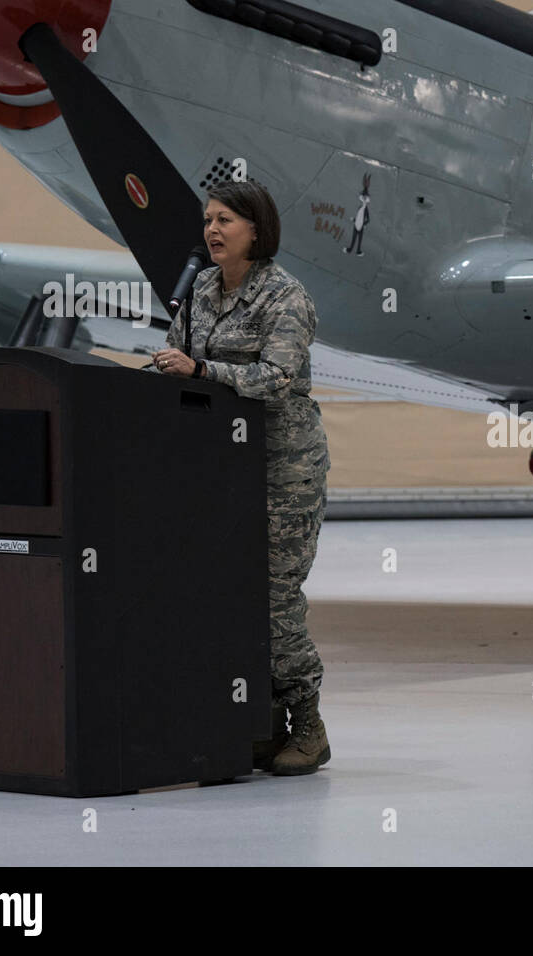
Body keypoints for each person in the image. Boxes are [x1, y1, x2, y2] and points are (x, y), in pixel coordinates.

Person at [152, 180, 331, 773]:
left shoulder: (286, 297)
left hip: (284, 471)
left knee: (275, 602)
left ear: (257, 230)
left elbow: (278, 379)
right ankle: (261, 724)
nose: (212, 230)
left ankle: (308, 726)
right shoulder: (201, 287)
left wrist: (202, 368)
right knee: (227, 599)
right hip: (219, 470)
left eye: (226, 219)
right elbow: (176, 361)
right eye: (208, 219)